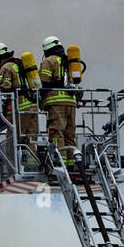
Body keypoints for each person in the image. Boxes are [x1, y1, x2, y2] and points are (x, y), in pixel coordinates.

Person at [0, 43, 39, 170]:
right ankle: (32, 166)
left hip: (20, 107)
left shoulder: (6, 67)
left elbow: (2, 86)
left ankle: (10, 168)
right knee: (29, 139)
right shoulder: (19, 64)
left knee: (12, 139)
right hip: (32, 105)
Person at [39, 35, 78, 165]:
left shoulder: (49, 61)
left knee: (56, 131)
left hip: (55, 102)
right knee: (69, 133)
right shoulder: (70, 62)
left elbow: (44, 82)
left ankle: (60, 162)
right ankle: (71, 162)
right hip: (71, 102)